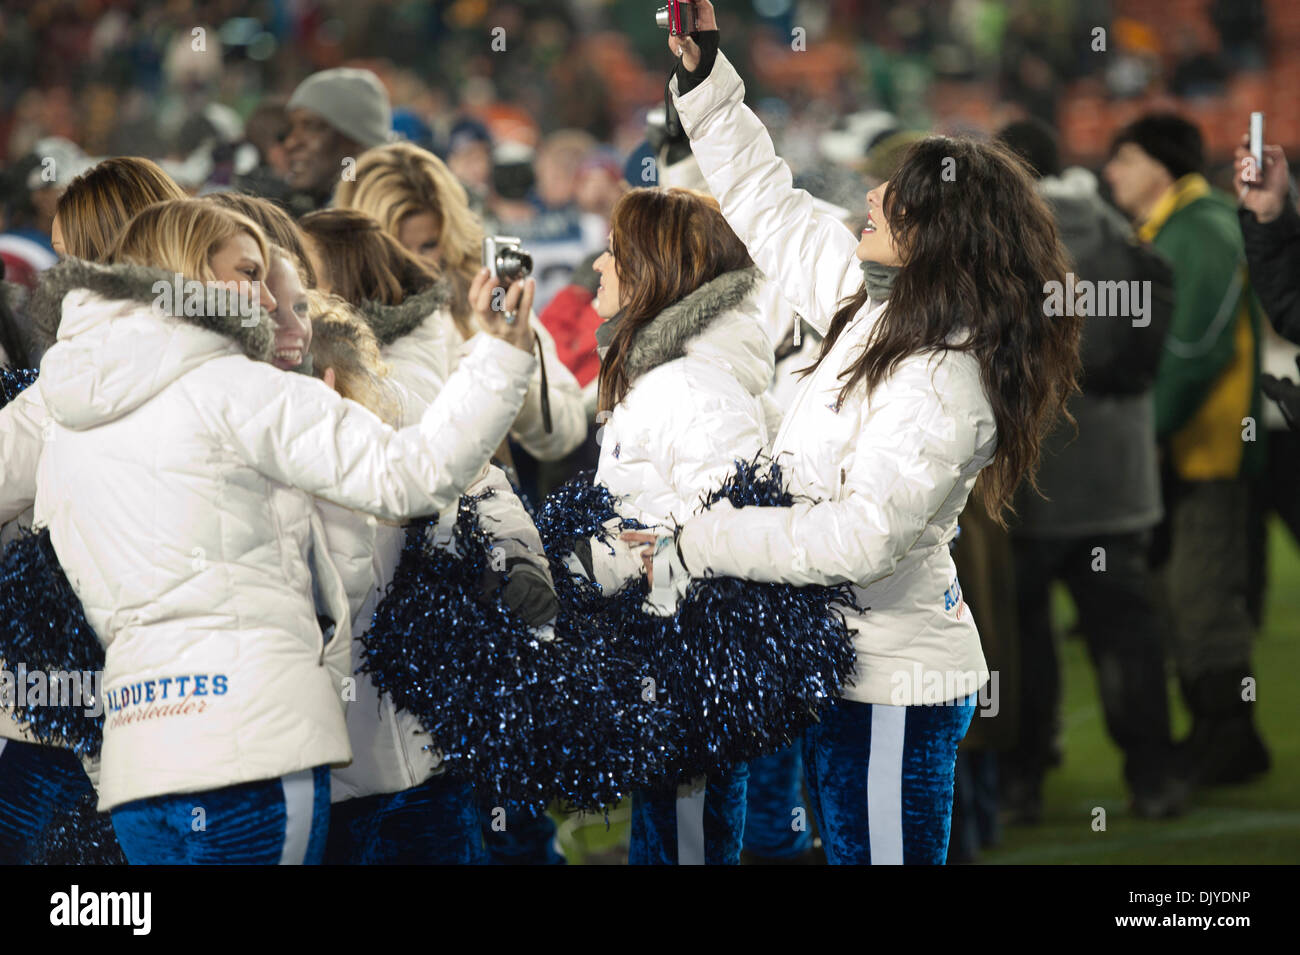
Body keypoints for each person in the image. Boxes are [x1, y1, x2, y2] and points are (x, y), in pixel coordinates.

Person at [649, 5, 1081, 864]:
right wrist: (705, 85)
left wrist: (707, 538)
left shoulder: (943, 372)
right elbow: (769, 207)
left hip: (892, 681)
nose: (870, 199)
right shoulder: (876, 303)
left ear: (936, 237)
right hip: (856, 666)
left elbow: (862, 536)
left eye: (892, 204)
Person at [2, 198, 536, 863]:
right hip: (250, 751)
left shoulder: (67, 414)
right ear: (188, 271)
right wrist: (498, 354)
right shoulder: (241, 389)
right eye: (248, 272)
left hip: (141, 762)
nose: (266, 294)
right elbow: (413, 474)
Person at [298, 207, 561, 864]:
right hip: (362, 752)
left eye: (294, 272)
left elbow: (476, 481)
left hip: (386, 747)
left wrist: (515, 560)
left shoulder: (384, 377)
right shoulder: (279, 386)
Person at [570, 186, 775, 865]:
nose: (598, 267)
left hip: (687, 663)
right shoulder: (666, 375)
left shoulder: (687, 385)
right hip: (665, 657)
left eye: (613, 253)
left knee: (687, 846)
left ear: (653, 270)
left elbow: (733, 536)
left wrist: (601, 558)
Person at [997, 118, 1183, 821]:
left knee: (1026, 643)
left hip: (1037, 483)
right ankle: (1154, 776)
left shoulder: (1009, 243)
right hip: (1120, 481)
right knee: (1128, 639)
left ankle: (1024, 780)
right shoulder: (1115, 227)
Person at [1104, 113, 1269, 787]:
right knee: (1180, 596)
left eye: (1125, 156)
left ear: (1160, 167)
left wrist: (1148, 434)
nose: (1112, 170)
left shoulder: (1199, 228)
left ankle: (1232, 739)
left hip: (1206, 449)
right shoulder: (1173, 227)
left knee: (1202, 595)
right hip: (1186, 445)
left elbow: (1193, 353)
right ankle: (1213, 730)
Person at [330, 146, 588, 472]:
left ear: (449, 236)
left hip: (491, 509)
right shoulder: (334, 318)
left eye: (428, 245)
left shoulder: (484, 298)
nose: (417, 264)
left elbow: (564, 432)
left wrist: (507, 360)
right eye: (395, 249)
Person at [283, 68, 393, 212]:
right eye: (291, 127)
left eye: (312, 127)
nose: (290, 143)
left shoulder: (395, 221)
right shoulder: (296, 207)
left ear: (358, 142)